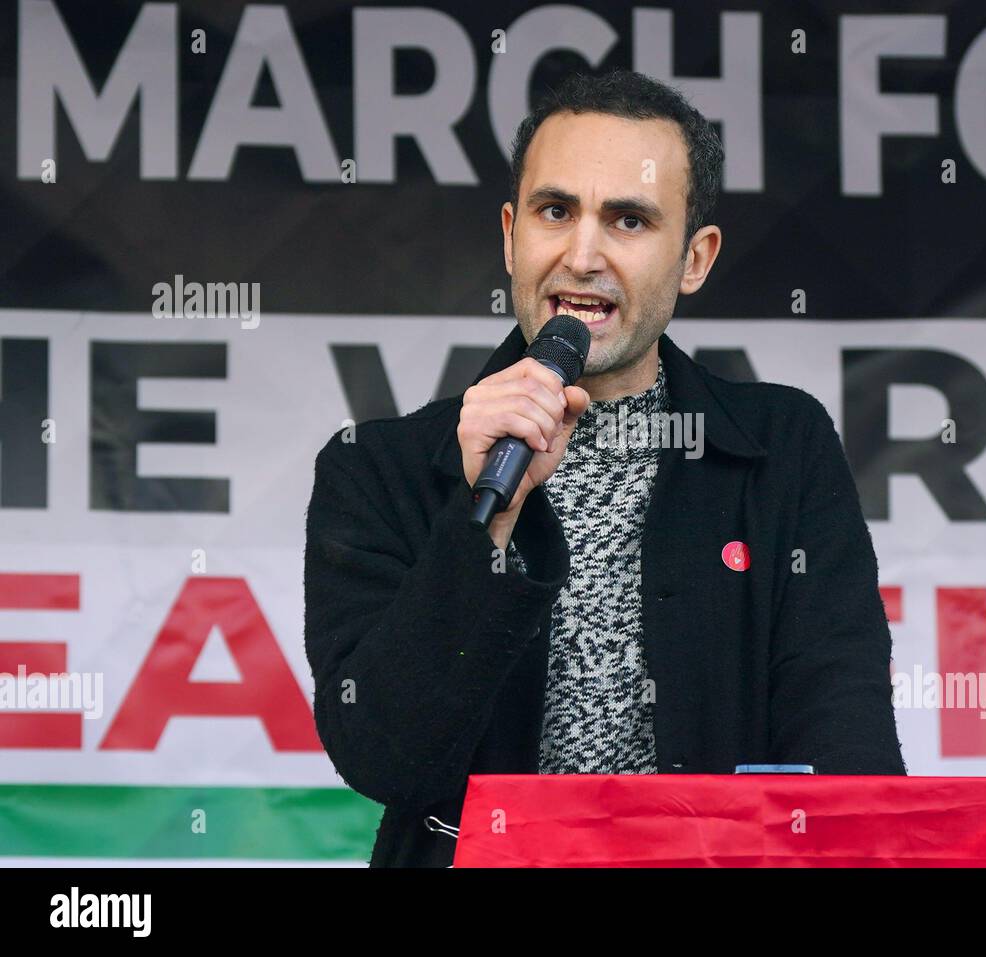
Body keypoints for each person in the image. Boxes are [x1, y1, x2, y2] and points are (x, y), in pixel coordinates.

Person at [304, 69, 905, 867]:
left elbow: (846, 745)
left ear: (695, 258)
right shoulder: (379, 468)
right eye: (557, 212)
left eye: (628, 219)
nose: (582, 255)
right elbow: (384, 755)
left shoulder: (782, 447)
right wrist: (484, 524)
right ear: (511, 233)